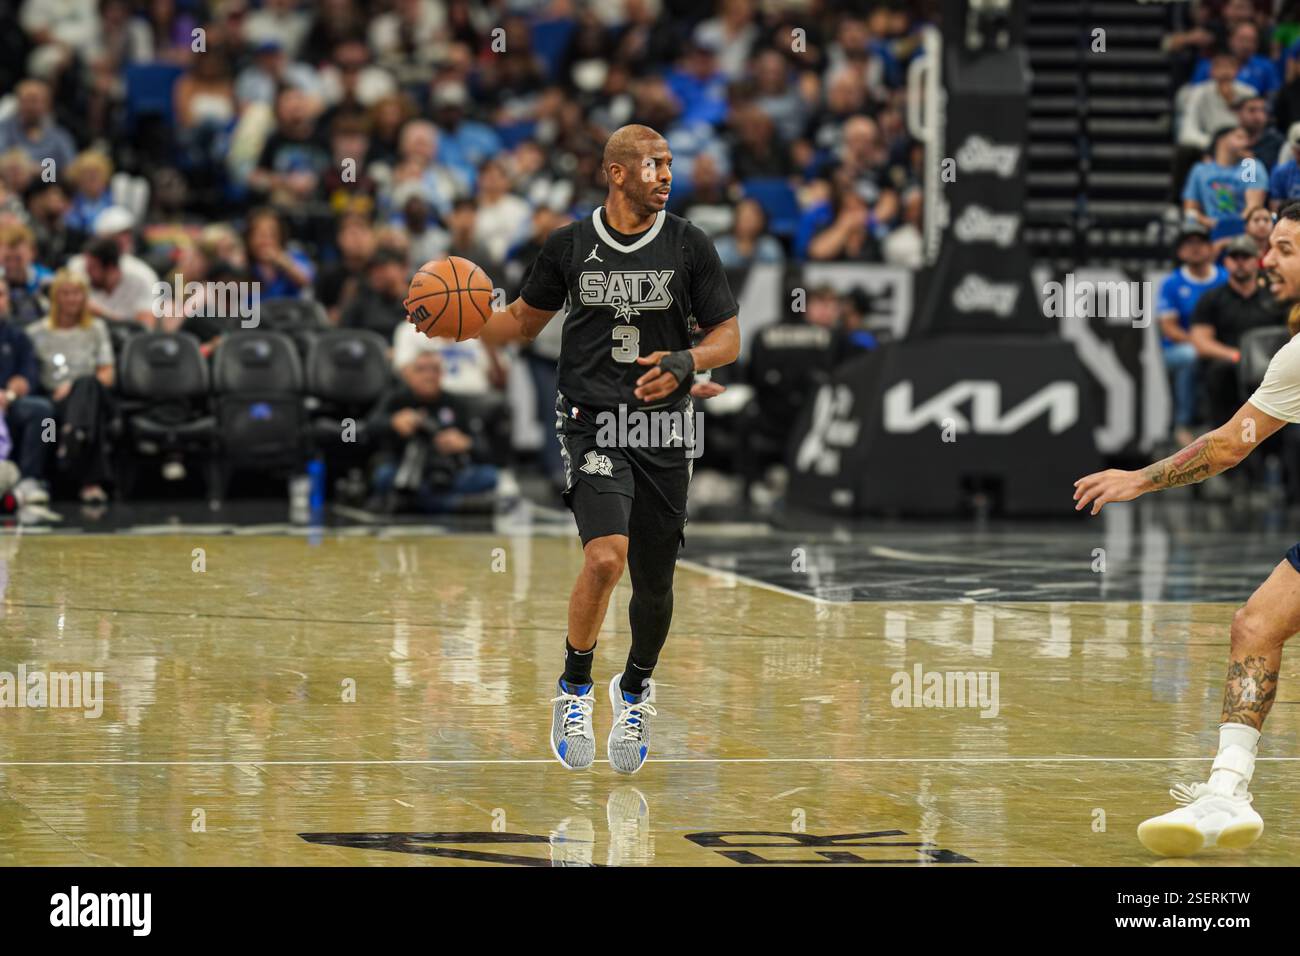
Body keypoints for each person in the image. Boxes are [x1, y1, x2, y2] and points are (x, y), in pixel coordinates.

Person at [473, 124, 741, 774]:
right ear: (617, 172)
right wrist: (463, 320)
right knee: (604, 558)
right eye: (653, 164)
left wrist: (684, 359)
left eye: (669, 164)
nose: (666, 175)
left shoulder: (688, 243)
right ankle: (573, 687)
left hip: (662, 428)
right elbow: (520, 322)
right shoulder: (568, 244)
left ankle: (636, 689)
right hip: (592, 421)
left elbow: (728, 338)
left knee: (654, 583)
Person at [1074, 198, 1300, 857]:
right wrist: (1142, 479)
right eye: (1271, 247)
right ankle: (1227, 788)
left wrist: (1138, 480)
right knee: (1256, 626)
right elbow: (1230, 446)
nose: (1266, 260)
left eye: (1285, 248)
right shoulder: (1294, 359)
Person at [365, 350, 497, 513]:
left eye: (435, 369)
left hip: (447, 473)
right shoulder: (396, 400)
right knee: (384, 476)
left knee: (489, 476)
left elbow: (484, 448)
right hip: (407, 471)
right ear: (409, 375)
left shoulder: (456, 403)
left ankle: (416, 504)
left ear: (442, 374)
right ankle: (450, 504)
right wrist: (392, 422)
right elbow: (367, 428)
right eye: (421, 370)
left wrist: (464, 443)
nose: (429, 376)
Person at [25, 270, 114, 503]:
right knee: (73, 410)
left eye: (77, 293)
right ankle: (89, 480)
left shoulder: (96, 328)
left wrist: (73, 386)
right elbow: (30, 375)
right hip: (53, 399)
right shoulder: (35, 332)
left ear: (84, 297)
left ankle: (71, 433)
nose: (72, 299)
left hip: (91, 395)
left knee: (87, 387)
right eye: (66, 293)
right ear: (55, 298)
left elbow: (107, 374)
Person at [1190, 234, 1285, 427]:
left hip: (1270, 368)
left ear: (1257, 261)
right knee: (1219, 372)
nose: (1240, 263)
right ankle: (1218, 432)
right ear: (1226, 262)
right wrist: (1235, 356)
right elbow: (1200, 342)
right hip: (1229, 368)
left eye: (1246, 257)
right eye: (1235, 257)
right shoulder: (1212, 299)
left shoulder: (1275, 298)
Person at [1156, 222, 1227, 445]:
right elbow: (1168, 327)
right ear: (1180, 252)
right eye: (1189, 243)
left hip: (1220, 347)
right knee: (1190, 356)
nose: (1195, 248)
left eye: (1200, 242)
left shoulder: (1224, 278)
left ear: (1210, 248)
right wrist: (1200, 343)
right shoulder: (1172, 284)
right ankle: (1184, 423)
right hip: (1180, 349)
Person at [0, 275, 54, 503]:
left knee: (45, 415)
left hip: (9, 405)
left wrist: (10, 394)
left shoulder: (17, 336)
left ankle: (31, 477)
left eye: (1, 295)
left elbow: (28, 376)